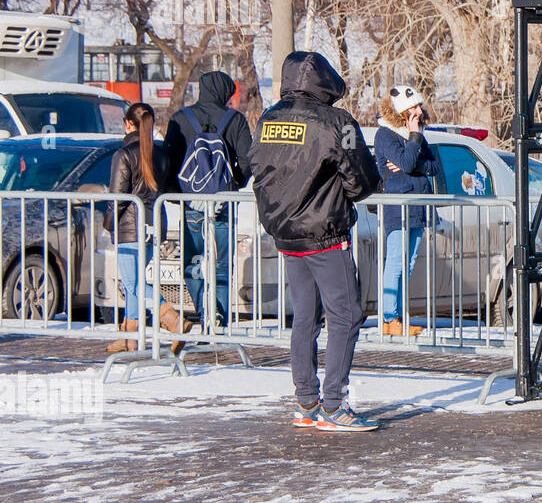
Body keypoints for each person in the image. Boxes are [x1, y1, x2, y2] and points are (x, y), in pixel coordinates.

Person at [251, 52, 383, 432]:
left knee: (305, 317)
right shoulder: (337, 122)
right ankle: (335, 403)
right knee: (345, 316)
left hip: (286, 233)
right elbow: (360, 180)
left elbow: (257, 168)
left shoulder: (269, 118)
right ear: (326, 82)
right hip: (325, 234)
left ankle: (306, 401)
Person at [163, 71, 253, 331]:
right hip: (223, 205)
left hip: (191, 203)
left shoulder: (180, 119)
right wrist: (232, 185)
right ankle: (218, 319)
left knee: (191, 262)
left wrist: (177, 194)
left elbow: (169, 160)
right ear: (225, 92)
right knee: (222, 263)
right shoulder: (234, 119)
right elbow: (248, 160)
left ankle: (203, 311)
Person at [107, 102, 189, 355]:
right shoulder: (162, 154)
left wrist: (108, 226)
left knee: (133, 284)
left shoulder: (123, 155)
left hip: (129, 228)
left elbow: (117, 198)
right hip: (155, 226)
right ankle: (129, 338)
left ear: (128, 124)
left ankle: (172, 318)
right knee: (135, 283)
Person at [374, 86, 443, 337]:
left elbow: (434, 166)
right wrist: (412, 143)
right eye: (413, 108)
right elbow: (404, 162)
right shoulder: (386, 135)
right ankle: (390, 317)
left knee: (410, 261)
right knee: (395, 261)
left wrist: (413, 162)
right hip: (398, 205)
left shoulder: (418, 135)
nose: (418, 111)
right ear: (402, 111)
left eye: (419, 107)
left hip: (418, 205)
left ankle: (399, 316)